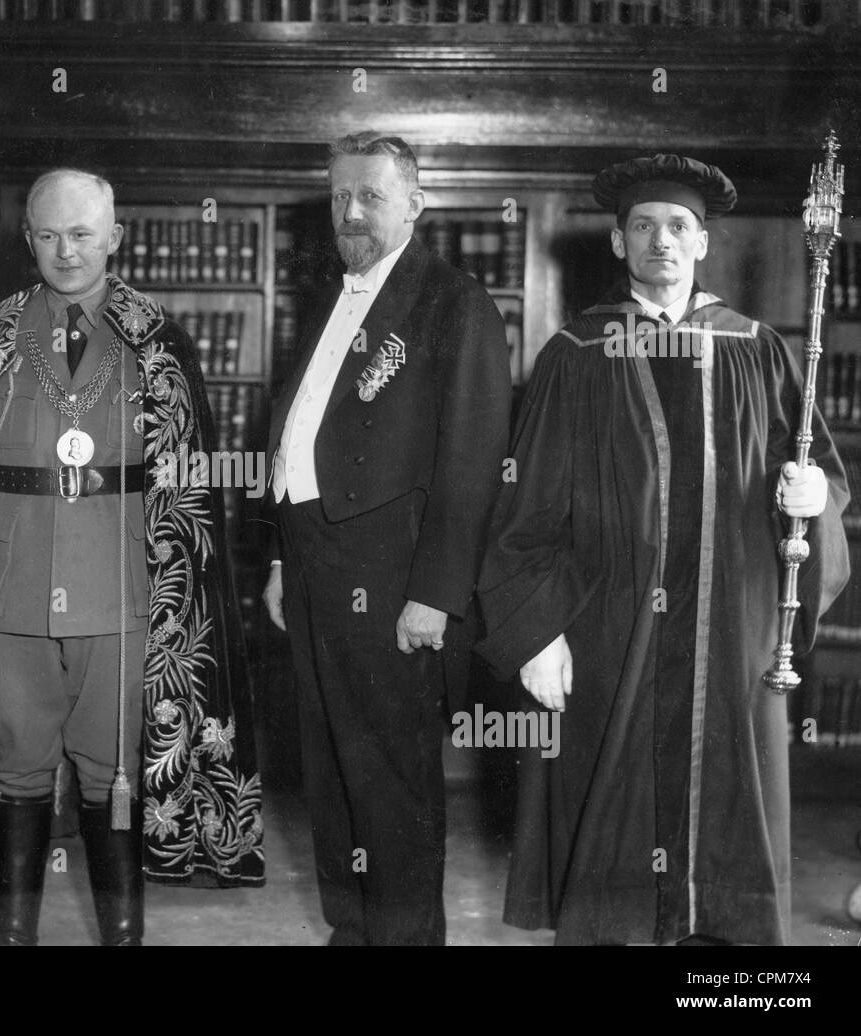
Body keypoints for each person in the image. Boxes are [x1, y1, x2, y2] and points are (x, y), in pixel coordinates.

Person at [0, 168, 263, 945]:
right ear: (27, 240)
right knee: (16, 772)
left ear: (114, 238)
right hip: (4, 597)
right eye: (47, 235)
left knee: (115, 777)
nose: (65, 251)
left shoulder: (157, 340)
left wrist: (173, 603)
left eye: (81, 235)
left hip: (123, 600)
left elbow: (185, 494)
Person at [477, 153, 851, 945]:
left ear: (704, 243)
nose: (662, 241)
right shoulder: (575, 355)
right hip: (609, 627)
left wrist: (813, 502)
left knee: (728, 807)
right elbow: (528, 500)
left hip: (729, 627)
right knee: (612, 808)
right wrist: (536, 629)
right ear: (617, 244)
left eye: (679, 226)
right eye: (642, 226)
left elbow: (818, 475)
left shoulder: (758, 349)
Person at [261, 132, 512, 945]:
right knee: (331, 771)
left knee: (392, 784)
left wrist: (436, 596)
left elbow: (471, 464)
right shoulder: (331, 296)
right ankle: (352, 930)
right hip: (310, 565)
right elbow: (302, 433)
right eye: (339, 196)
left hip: (392, 577)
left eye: (371, 195)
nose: (352, 212)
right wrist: (275, 555)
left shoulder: (454, 301)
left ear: (415, 202)